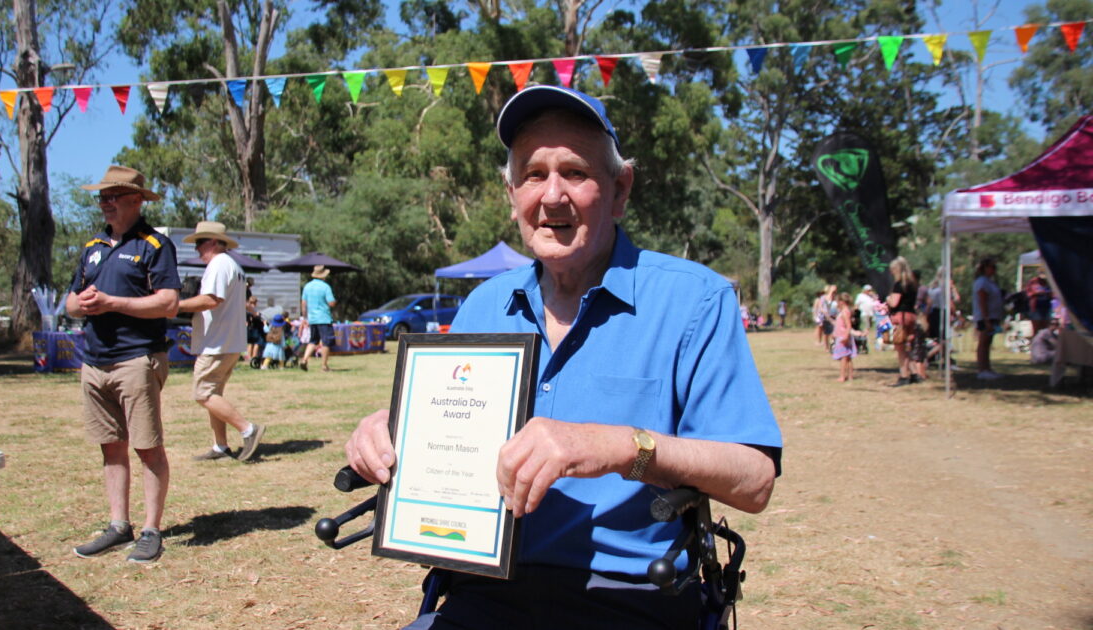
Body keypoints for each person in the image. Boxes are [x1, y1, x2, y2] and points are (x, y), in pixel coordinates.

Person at [345, 85, 782, 629]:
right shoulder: (483, 305)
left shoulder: (695, 301)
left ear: (620, 189)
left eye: (575, 172)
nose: (552, 196)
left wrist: (620, 446)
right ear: (512, 195)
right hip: (483, 593)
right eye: (533, 174)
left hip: (630, 599)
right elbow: (450, 427)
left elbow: (755, 479)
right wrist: (390, 432)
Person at [66, 165, 180, 564]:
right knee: (111, 448)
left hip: (137, 360)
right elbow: (70, 301)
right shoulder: (92, 246)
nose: (105, 204)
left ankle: (151, 529)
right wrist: (81, 303)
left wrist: (113, 303)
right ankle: (118, 526)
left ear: (135, 201)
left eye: (112, 197)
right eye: (102, 197)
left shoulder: (155, 245)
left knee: (148, 447)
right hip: (94, 362)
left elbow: (168, 302)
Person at [177, 221, 266, 462]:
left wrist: (176, 305)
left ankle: (249, 430)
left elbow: (211, 300)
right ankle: (221, 446)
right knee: (213, 393)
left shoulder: (218, 264)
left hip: (216, 342)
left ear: (214, 242)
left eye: (200, 242)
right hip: (228, 341)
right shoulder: (232, 265)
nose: (196, 248)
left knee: (203, 394)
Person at [886, 257, 918, 387]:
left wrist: (888, 299)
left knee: (900, 347)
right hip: (911, 315)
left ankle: (904, 375)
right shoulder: (912, 284)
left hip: (901, 317)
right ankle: (915, 373)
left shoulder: (899, 285)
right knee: (907, 346)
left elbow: (894, 303)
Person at [299, 265, 336, 372]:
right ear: (323, 275)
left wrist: (305, 318)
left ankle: (304, 359)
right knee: (326, 342)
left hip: (312, 318)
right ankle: (324, 366)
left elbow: (303, 303)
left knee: (313, 341)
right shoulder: (325, 287)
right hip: (324, 318)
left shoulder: (307, 286)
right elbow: (331, 302)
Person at [972, 257, 1005, 380]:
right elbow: (982, 301)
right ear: (985, 268)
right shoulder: (982, 282)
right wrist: (986, 319)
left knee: (988, 342)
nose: (994, 270)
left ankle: (988, 368)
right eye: (992, 267)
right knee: (983, 343)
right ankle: (982, 369)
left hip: (993, 316)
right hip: (986, 317)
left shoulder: (990, 282)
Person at [832, 292, 855, 382]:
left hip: (843, 336)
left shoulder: (845, 312)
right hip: (842, 335)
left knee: (843, 357)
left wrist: (845, 336)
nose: (837, 303)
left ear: (842, 302)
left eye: (837, 301)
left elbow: (848, 325)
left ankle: (842, 376)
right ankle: (850, 376)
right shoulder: (844, 311)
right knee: (848, 357)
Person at [245, 295, 265, 367]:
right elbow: (259, 318)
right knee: (256, 343)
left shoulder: (246, 310)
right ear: (256, 302)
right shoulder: (254, 310)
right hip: (256, 328)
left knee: (250, 344)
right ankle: (254, 357)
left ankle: (249, 358)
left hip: (249, 328)